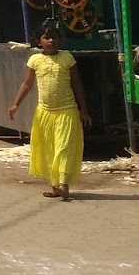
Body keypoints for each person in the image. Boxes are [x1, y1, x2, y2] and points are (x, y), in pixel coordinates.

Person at [7, 24, 92, 201]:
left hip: (67, 111)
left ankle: (63, 186)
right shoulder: (35, 60)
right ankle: (56, 187)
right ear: (39, 41)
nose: (51, 41)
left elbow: (77, 84)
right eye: (46, 38)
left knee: (63, 148)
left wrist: (84, 109)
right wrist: (16, 105)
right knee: (50, 150)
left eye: (54, 37)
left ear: (59, 40)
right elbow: (27, 84)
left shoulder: (67, 58)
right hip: (45, 112)